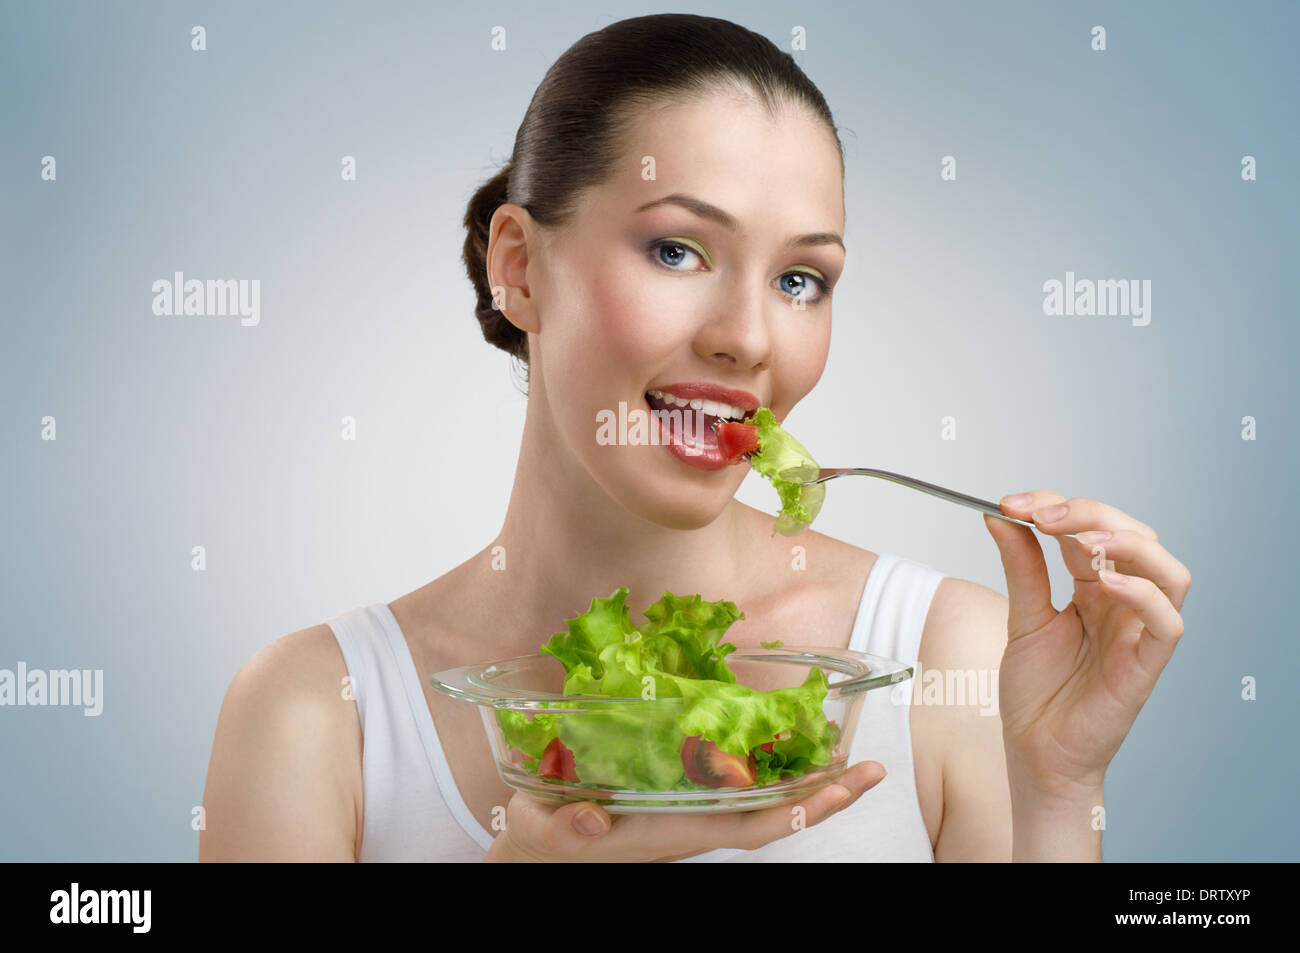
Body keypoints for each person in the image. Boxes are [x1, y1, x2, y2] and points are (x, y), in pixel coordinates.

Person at [199, 13, 1191, 863]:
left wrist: (1058, 795)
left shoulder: (955, 657)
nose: (747, 338)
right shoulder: (316, 712)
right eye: (676, 249)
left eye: (800, 279)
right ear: (520, 268)